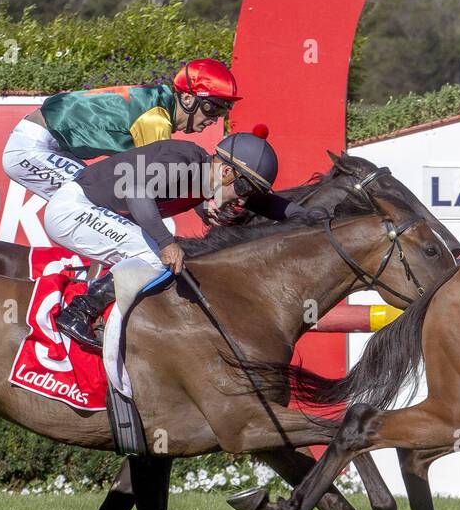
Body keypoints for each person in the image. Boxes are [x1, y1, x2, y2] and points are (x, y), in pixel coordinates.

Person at [44, 128, 300, 349]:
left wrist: (319, 216)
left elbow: (271, 205)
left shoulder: (210, 176)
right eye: (245, 189)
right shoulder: (184, 159)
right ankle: (78, 312)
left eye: (252, 191)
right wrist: (166, 242)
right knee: (157, 255)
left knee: (159, 257)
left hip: (88, 212)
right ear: (225, 171)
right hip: (74, 209)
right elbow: (136, 193)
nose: (244, 199)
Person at [1, 58, 240, 202]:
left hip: (51, 143)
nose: (214, 120)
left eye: (221, 114)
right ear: (188, 99)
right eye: (212, 109)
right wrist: (211, 198)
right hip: (35, 147)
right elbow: (161, 185)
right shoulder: (155, 120)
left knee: (99, 206)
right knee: (94, 203)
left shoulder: (158, 103)